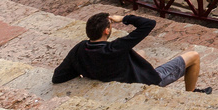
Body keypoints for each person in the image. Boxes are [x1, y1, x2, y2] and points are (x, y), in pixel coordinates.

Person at [52, 13, 208, 93]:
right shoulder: (115, 48)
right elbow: (149, 24)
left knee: (141, 53)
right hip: (144, 82)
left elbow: (58, 76)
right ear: (106, 31)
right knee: (193, 56)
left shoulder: (81, 48)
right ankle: (191, 93)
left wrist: (86, 73)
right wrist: (123, 18)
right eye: (110, 26)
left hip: (115, 75)